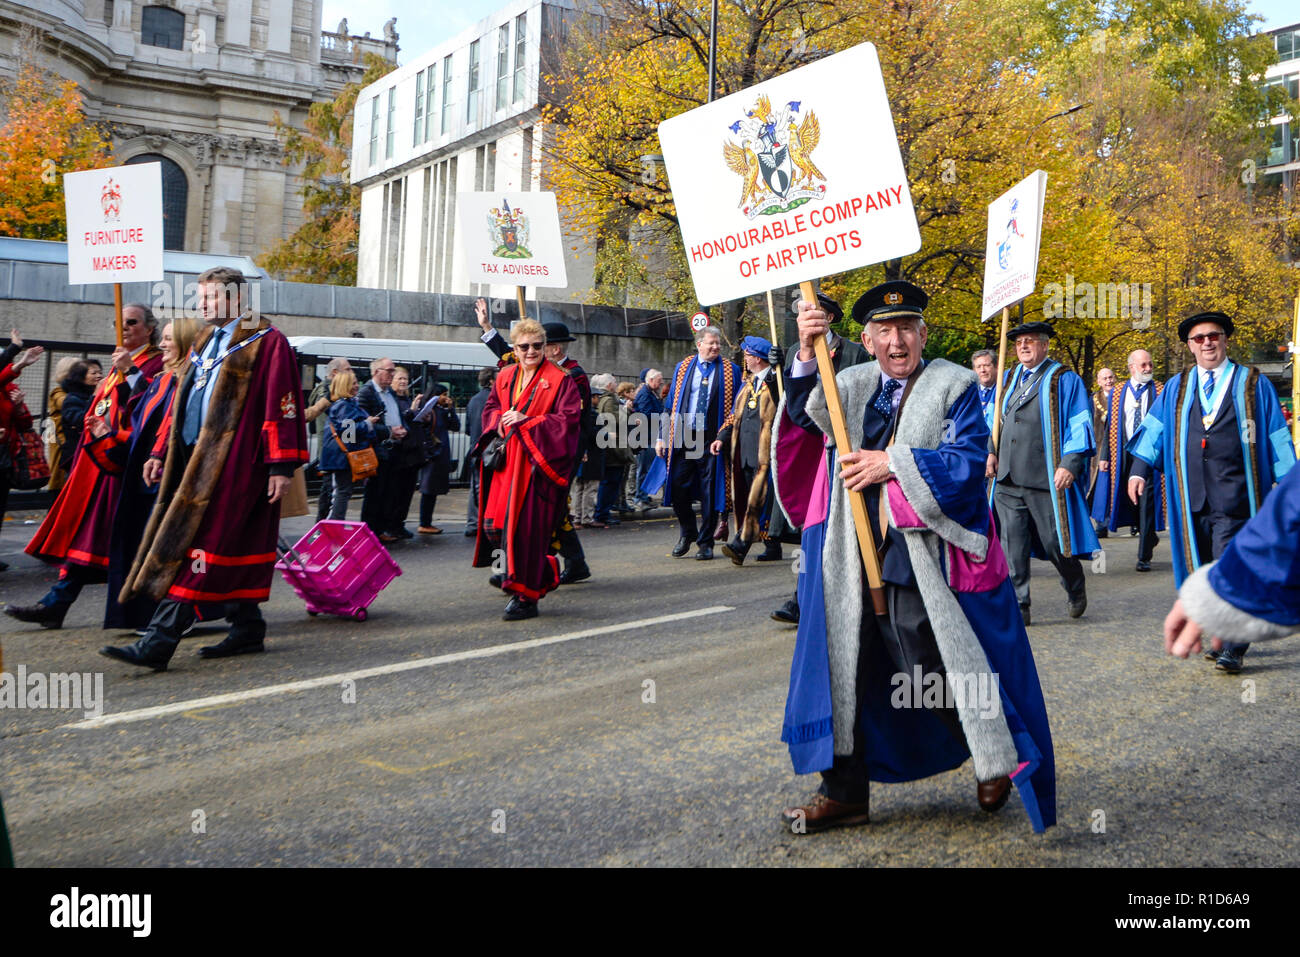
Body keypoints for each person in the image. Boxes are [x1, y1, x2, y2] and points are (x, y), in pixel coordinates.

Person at [773, 282, 1055, 834]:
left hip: (922, 554)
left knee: (924, 662)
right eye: (884, 331)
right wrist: (807, 352)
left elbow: (967, 460)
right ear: (867, 339)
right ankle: (845, 793)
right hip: (850, 555)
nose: (896, 340)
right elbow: (806, 424)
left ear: (922, 335)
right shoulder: (846, 382)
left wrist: (892, 464)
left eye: (906, 329)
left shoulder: (954, 384)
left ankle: (990, 748)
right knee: (845, 666)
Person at [100, 267, 309, 669]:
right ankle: (247, 627)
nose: (201, 305)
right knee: (225, 544)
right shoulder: (202, 340)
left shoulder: (267, 341)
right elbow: (180, 402)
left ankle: (158, 643)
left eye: (210, 298)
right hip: (191, 459)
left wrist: (280, 465)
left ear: (235, 300)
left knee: (201, 546)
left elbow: (283, 403)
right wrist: (160, 451)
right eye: (201, 297)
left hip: (237, 462)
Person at [1127, 310, 1295, 674]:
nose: (1207, 343)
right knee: (1200, 567)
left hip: (1239, 496)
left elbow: (1275, 434)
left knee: (1229, 564)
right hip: (1191, 497)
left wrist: (1286, 479)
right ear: (1190, 346)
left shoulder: (1252, 383)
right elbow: (1154, 429)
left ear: (1225, 339)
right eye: (1199, 338)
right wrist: (1139, 470)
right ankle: (1220, 632)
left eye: (1214, 336)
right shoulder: (1177, 386)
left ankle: (1234, 647)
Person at [9, 305, 165, 629]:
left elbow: (151, 408)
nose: (123, 328)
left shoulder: (155, 363)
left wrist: (131, 374)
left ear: (149, 328)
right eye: (118, 322)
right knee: (90, 536)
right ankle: (56, 603)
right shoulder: (116, 365)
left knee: (116, 539)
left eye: (131, 322)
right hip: (100, 463)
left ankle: (157, 613)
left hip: (130, 464)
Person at [985, 321, 1098, 625]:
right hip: (1007, 478)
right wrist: (990, 452)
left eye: (1030, 341)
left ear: (1045, 345)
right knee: (1013, 543)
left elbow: (1080, 422)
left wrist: (1070, 462)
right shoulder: (1007, 379)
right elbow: (991, 420)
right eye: (1019, 342)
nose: (1023, 346)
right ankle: (1020, 604)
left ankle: (1075, 585)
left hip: (1044, 476)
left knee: (1054, 542)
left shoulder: (1064, 379)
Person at [475, 297, 593, 584]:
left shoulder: (570, 376)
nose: (530, 352)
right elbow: (505, 366)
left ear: (550, 348)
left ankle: (536, 572)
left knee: (544, 518)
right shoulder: (510, 374)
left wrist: (528, 423)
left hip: (551, 454)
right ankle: (513, 569)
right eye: (524, 347)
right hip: (513, 456)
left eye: (537, 346)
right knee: (503, 520)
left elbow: (571, 420)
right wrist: (488, 326)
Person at [771, 293, 869, 625]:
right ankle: (803, 597)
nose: (806, 318)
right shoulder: (795, 353)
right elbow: (791, 407)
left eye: (811, 312)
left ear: (827, 317)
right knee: (813, 529)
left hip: (850, 453)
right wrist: (785, 367)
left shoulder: (855, 352)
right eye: (800, 313)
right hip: (811, 452)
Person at [105, 318, 201, 630]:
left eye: (170, 339)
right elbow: (147, 418)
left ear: (186, 342)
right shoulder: (165, 378)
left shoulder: (191, 380)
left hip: (174, 476)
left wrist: (159, 456)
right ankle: (150, 614)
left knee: (173, 546)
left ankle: (177, 616)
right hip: (149, 475)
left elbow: (174, 427)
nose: (162, 344)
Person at [1164, 463, 1300, 658]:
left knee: (1224, 553)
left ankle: (1233, 648)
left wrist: (1234, 582)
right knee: (1203, 558)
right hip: (1194, 500)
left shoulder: (1256, 429)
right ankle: (1223, 638)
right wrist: (1138, 472)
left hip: (1235, 503)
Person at [658, 324, 741, 560]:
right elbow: (671, 401)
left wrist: (723, 437)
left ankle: (705, 543)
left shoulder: (730, 370)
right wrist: (662, 436)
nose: (715, 347)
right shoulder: (683, 367)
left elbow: (736, 407)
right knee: (676, 487)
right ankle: (688, 532)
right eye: (711, 343)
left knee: (709, 492)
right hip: (684, 436)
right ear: (699, 345)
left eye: (718, 343)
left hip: (711, 439)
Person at [1091, 350, 1164, 570]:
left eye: (1150, 364)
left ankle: (1144, 556)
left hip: (1150, 455)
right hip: (1123, 455)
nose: (1148, 369)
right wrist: (1104, 457)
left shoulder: (1160, 391)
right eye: (1143, 365)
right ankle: (1148, 536)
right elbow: (1110, 427)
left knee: (1147, 502)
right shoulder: (1118, 391)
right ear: (1132, 367)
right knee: (1128, 500)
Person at [718, 335, 782, 564]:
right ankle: (772, 545)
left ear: (757, 358)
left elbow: (783, 402)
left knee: (759, 500)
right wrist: (722, 437)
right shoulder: (748, 383)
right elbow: (736, 415)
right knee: (750, 498)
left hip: (765, 452)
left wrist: (776, 372)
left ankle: (740, 545)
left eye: (747, 355)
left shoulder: (776, 381)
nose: (744, 358)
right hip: (744, 451)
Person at [0, 335, 45, 574]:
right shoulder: (5, 378)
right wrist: (19, 359)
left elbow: (26, 423)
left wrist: (18, 407)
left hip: (5, 454)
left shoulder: (10, 387)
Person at [357, 357, 412, 542]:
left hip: (394, 448)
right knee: (374, 493)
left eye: (393, 371)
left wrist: (403, 427)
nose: (392, 374)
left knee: (389, 492)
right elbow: (359, 425)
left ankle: (380, 530)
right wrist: (389, 431)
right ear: (376, 372)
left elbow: (397, 415)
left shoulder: (391, 393)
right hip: (377, 449)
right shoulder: (366, 393)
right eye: (389, 371)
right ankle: (369, 533)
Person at [317, 370, 379, 521]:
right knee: (340, 493)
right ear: (344, 385)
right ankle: (332, 527)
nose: (357, 386)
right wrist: (368, 424)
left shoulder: (347, 404)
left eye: (357, 382)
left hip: (340, 458)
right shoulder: (344, 405)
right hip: (340, 459)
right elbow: (348, 434)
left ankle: (334, 526)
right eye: (353, 383)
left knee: (342, 492)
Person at [308, 357, 353, 522]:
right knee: (335, 496)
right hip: (336, 455)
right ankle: (324, 533)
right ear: (335, 373)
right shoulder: (337, 400)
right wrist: (367, 426)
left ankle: (322, 532)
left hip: (334, 454)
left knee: (333, 494)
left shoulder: (337, 399)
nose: (352, 376)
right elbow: (349, 434)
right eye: (348, 370)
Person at [387, 366, 428, 538]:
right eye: (399, 379)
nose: (403, 382)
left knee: (407, 493)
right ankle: (391, 525)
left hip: (413, 453)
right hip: (400, 453)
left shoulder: (408, 399)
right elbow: (400, 422)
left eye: (405, 379)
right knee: (395, 493)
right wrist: (411, 412)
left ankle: (399, 524)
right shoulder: (392, 400)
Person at [413, 383, 460, 533]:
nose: (446, 398)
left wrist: (451, 409)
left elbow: (455, 426)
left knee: (433, 490)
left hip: (440, 454)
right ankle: (424, 522)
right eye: (443, 395)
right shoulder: (429, 412)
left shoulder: (441, 411)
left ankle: (427, 522)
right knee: (428, 489)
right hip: (433, 455)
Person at [592, 373, 631, 527]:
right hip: (613, 448)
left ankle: (603, 512)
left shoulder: (603, 399)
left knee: (609, 482)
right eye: (614, 382)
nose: (616, 384)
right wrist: (626, 410)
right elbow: (615, 420)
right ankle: (602, 513)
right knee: (610, 482)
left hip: (608, 445)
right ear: (609, 385)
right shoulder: (609, 400)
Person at [464, 367, 495, 536]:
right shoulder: (493, 400)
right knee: (485, 488)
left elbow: (468, 428)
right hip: (489, 449)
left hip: (475, 448)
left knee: (474, 487)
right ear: (491, 381)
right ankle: (484, 523)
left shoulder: (473, 400)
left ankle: (473, 522)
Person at [630, 369, 664, 509]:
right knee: (644, 468)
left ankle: (643, 496)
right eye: (658, 380)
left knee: (646, 468)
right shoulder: (645, 394)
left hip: (650, 434)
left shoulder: (650, 392)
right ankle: (640, 498)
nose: (661, 382)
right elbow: (645, 415)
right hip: (646, 435)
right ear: (650, 380)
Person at [44, 355, 79, 492]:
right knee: (61, 487)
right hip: (63, 447)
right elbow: (66, 403)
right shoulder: (58, 393)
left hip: (70, 446)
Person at [56, 360, 96, 474]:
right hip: (77, 453)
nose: (99, 376)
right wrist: (94, 397)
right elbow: (80, 420)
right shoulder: (70, 398)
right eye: (93, 373)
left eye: (100, 372)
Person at [1089, 367, 1116, 538]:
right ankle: (1102, 523)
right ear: (1098, 381)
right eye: (1104, 378)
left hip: (1118, 447)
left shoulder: (1122, 396)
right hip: (1099, 449)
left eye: (1111, 377)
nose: (1108, 381)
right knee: (1101, 486)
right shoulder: (1094, 400)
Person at [971, 349, 997, 429]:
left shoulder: (1004, 391)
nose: (982, 370)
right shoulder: (969, 393)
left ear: (996, 367)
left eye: (986, 365)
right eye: (978, 367)